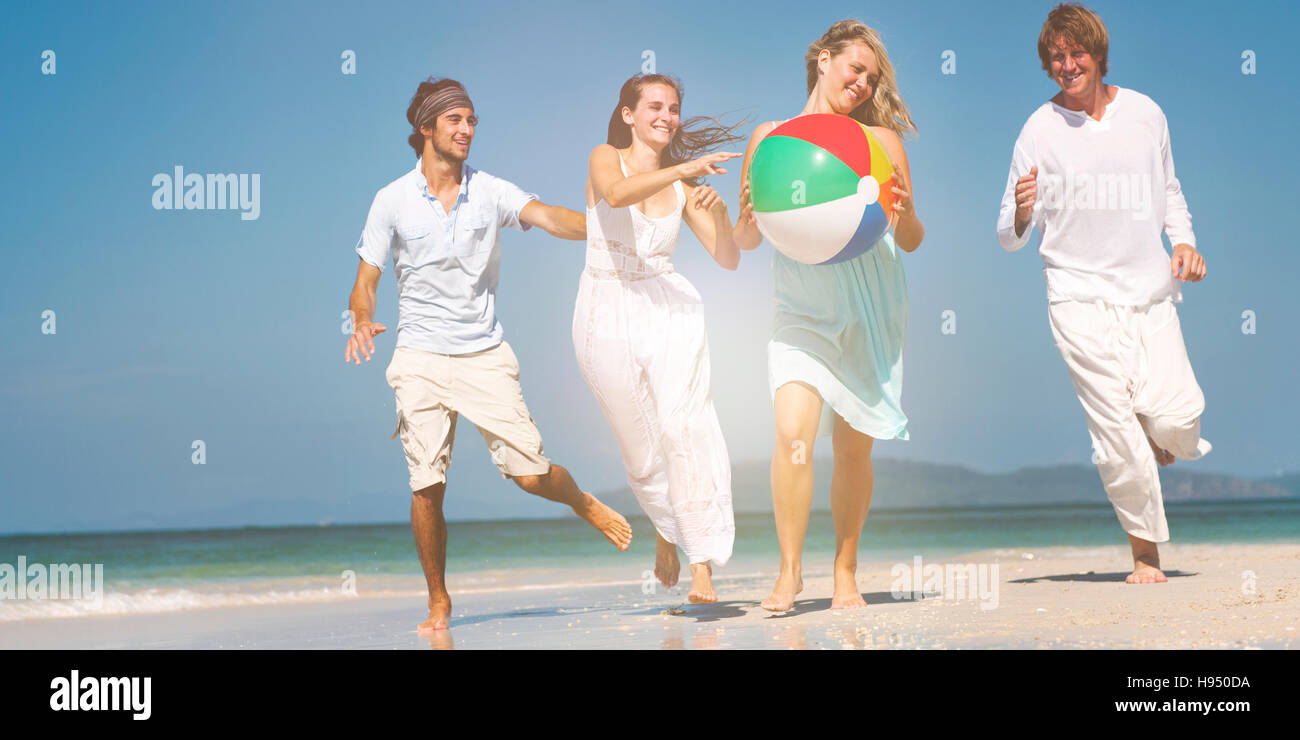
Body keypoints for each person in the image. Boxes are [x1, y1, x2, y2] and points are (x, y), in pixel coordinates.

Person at [344, 77, 633, 633]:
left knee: (528, 475)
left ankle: (582, 502)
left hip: (483, 353)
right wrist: (360, 319)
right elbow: (367, 278)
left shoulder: (490, 190)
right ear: (425, 127)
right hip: (419, 357)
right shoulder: (392, 200)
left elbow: (548, 215)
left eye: (472, 120)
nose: (467, 129)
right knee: (426, 484)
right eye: (455, 119)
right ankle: (438, 601)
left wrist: (601, 228)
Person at [996, 4, 1211, 584]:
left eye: (1076, 53)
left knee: (1179, 422)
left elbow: (1169, 190)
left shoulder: (1145, 113)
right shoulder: (1037, 129)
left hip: (1149, 293)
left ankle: (1154, 428)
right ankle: (1145, 556)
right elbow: (1008, 235)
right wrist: (1020, 214)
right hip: (1075, 296)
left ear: (1097, 52)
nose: (1067, 65)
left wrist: (1185, 243)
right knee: (1115, 433)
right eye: (1056, 57)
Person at [733, 20, 924, 611]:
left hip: (870, 307)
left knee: (853, 451)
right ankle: (790, 571)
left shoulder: (883, 144)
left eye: (871, 77)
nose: (863, 83)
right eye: (855, 68)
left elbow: (912, 238)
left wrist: (905, 209)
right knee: (793, 434)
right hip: (802, 310)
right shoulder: (771, 137)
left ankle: (845, 570)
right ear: (823, 59)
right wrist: (744, 216)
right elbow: (746, 241)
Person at [573, 74, 744, 603]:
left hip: (668, 309)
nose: (666, 117)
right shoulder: (606, 156)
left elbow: (729, 257)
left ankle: (702, 565)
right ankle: (667, 529)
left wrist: (719, 210)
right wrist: (685, 168)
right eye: (654, 107)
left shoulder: (684, 187)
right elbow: (617, 193)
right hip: (605, 307)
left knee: (685, 427)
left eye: (673, 109)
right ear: (628, 114)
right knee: (641, 450)